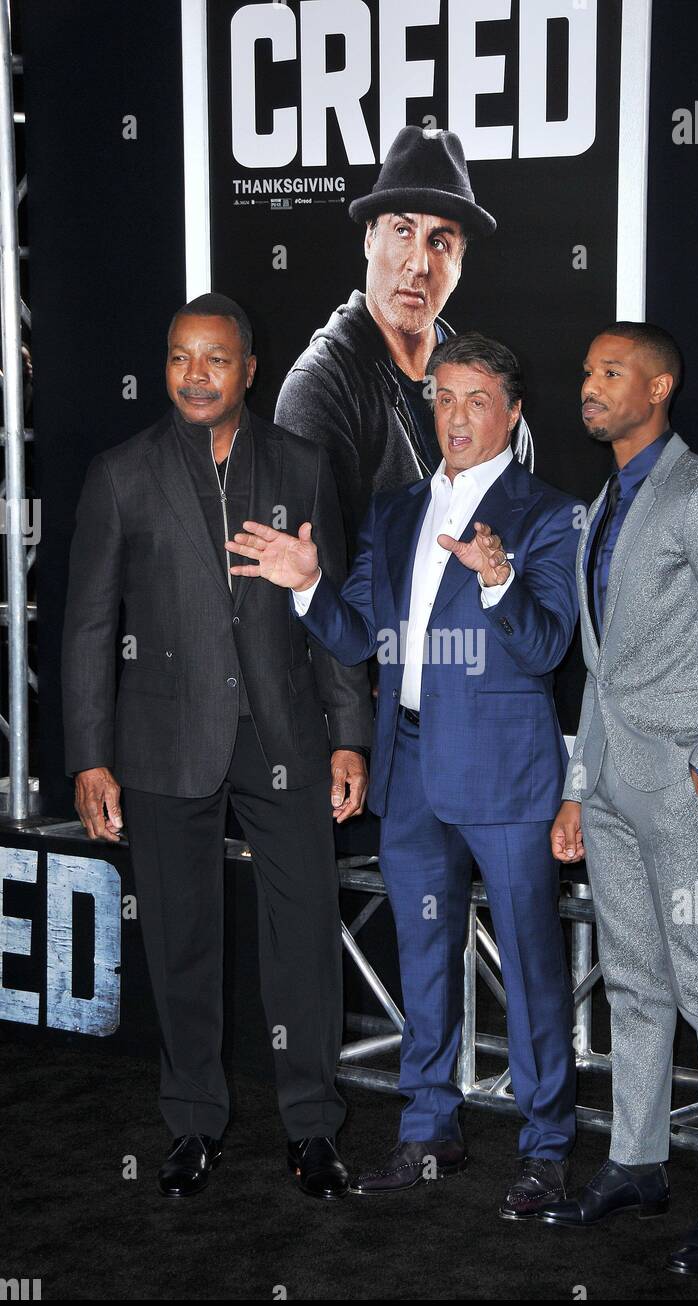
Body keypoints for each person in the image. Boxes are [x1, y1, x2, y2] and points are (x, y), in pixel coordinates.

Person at [228, 332, 582, 1220]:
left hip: (505, 776)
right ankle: (429, 1132)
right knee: (422, 957)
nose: (455, 417)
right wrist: (307, 585)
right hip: (411, 767)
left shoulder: (547, 513)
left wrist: (498, 577)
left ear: (510, 414)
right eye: (442, 398)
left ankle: (546, 1149)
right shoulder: (392, 513)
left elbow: (546, 648)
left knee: (534, 969)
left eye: (473, 400)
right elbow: (357, 638)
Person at [61, 293, 372, 1200]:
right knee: (181, 938)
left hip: (285, 734)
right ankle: (193, 1122)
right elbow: (85, 627)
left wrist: (348, 735)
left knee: (305, 938)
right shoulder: (120, 473)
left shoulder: (305, 462)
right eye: (178, 357)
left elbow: (331, 611)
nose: (194, 374)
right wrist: (89, 756)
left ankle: (312, 1129)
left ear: (249, 370)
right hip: (162, 741)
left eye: (214, 359)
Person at [539, 322, 698, 1274]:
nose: (590, 387)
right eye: (587, 371)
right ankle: (637, 1162)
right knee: (634, 983)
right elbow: (598, 666)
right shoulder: (604, 503)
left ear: (661, 386)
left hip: (684, 788)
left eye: (610, 373)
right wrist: (576, 783)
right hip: (607, 782)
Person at [275, 125, 533, 554]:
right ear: (369, 238)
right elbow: (320, 579)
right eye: (402, 230)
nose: (418, 264)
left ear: (459, 263)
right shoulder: (319, 388)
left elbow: (519, 545)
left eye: (438, 241)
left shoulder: (488, 385)